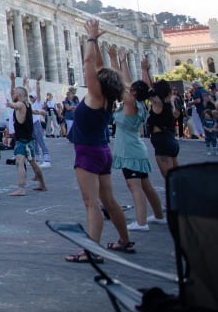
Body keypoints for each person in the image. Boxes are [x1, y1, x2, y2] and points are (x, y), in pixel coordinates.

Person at [64, 19, 132, 262]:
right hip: (102, 151)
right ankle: (124, 240)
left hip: (88, 153)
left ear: (99, 82)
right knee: (109, 201)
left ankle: (91, 252)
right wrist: (99, 43)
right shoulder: (108, 97)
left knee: (91, 203)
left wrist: (91, 39)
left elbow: (89, 62)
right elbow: (101, 67)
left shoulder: (94, 94)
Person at [108, 47, 165, 231]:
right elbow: (127, 82)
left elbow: (121, 81)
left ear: (132, 93)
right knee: (146, 186)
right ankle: (158, 215)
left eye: (130, 89)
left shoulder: (131, 104)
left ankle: (141, 222)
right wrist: (122, 61)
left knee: (135, 187)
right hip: (135, 147)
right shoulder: (140, 103)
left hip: (129, 150)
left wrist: (114, 59)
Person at [5, 72, 46, 196]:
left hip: (22, 140)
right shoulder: (28, 104)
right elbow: (35, 111)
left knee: (20, 162)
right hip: (30, 139)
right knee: (33, 162)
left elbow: (15, 104)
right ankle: (42, 184)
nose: (14, 95)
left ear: (20, 95)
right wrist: (41, 112)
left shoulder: (20, 104)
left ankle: (21, 188)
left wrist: (10, 104)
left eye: (16, 94)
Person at [146, 76, 180, 184]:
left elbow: (148, 89)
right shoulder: (168, 104)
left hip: (163, 143)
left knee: (170, 179)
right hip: (170, 140)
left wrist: (143, 69)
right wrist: (146, 71)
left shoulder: (158, 105)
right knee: (176, 176)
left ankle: (177, 199)